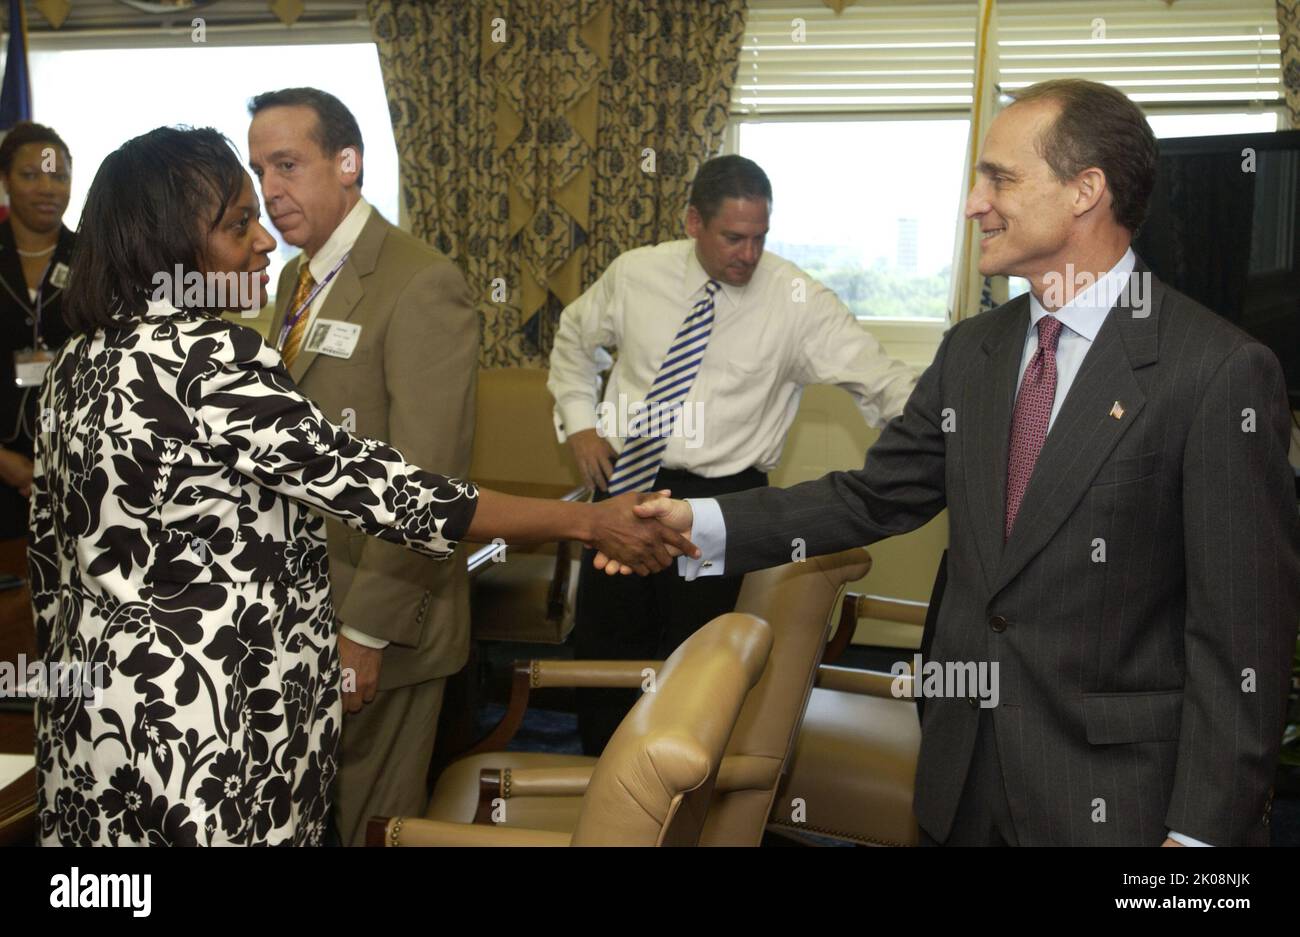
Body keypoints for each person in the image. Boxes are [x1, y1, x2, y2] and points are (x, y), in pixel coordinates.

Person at [621, 80, 1300, 846]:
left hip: (1115, 801)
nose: (973, 203)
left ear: (1086, 192)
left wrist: (1201, 838)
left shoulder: (1216, 371)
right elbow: (873, 497)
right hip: (960, 776)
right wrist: (700, 520)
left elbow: (1242, 640)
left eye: (1000, 178)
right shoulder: (973, 351)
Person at [29, 126, 694, 846]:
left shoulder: (77, 364)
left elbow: (49, 562)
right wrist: (587, 523)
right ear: (166, 248)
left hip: (94, 726)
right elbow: (381, 488)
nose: (264, 240)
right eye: (235, 224)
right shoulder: (207, 357)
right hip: (207, 734)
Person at [548, 154, 918, 753]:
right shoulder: (635, 274)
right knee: (607, 641)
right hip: (628, 487)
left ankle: (686, 798)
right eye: (734, 238)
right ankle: (599, 788)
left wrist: (949, 428)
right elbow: (574, 338)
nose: (749, 254)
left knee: (702, 661)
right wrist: (581, 424)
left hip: (724, 503)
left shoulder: (797, 299)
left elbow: (880, 378)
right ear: (694, 221)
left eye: (760, 238)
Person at [248, 87, 476, 846]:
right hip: (303, 614)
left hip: (385, 624)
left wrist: (365, 634)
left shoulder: (420, 282)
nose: (270, 192)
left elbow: (426, 480)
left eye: (287, 165)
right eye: (258, 172)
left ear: (349, 164)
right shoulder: (296, 279)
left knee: (372, 830)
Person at [0, 122, 75, 537]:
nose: (48, 188)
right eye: (31, 175)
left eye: (59, 176)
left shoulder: (95, 260)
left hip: (77, 470)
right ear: (5, 180)